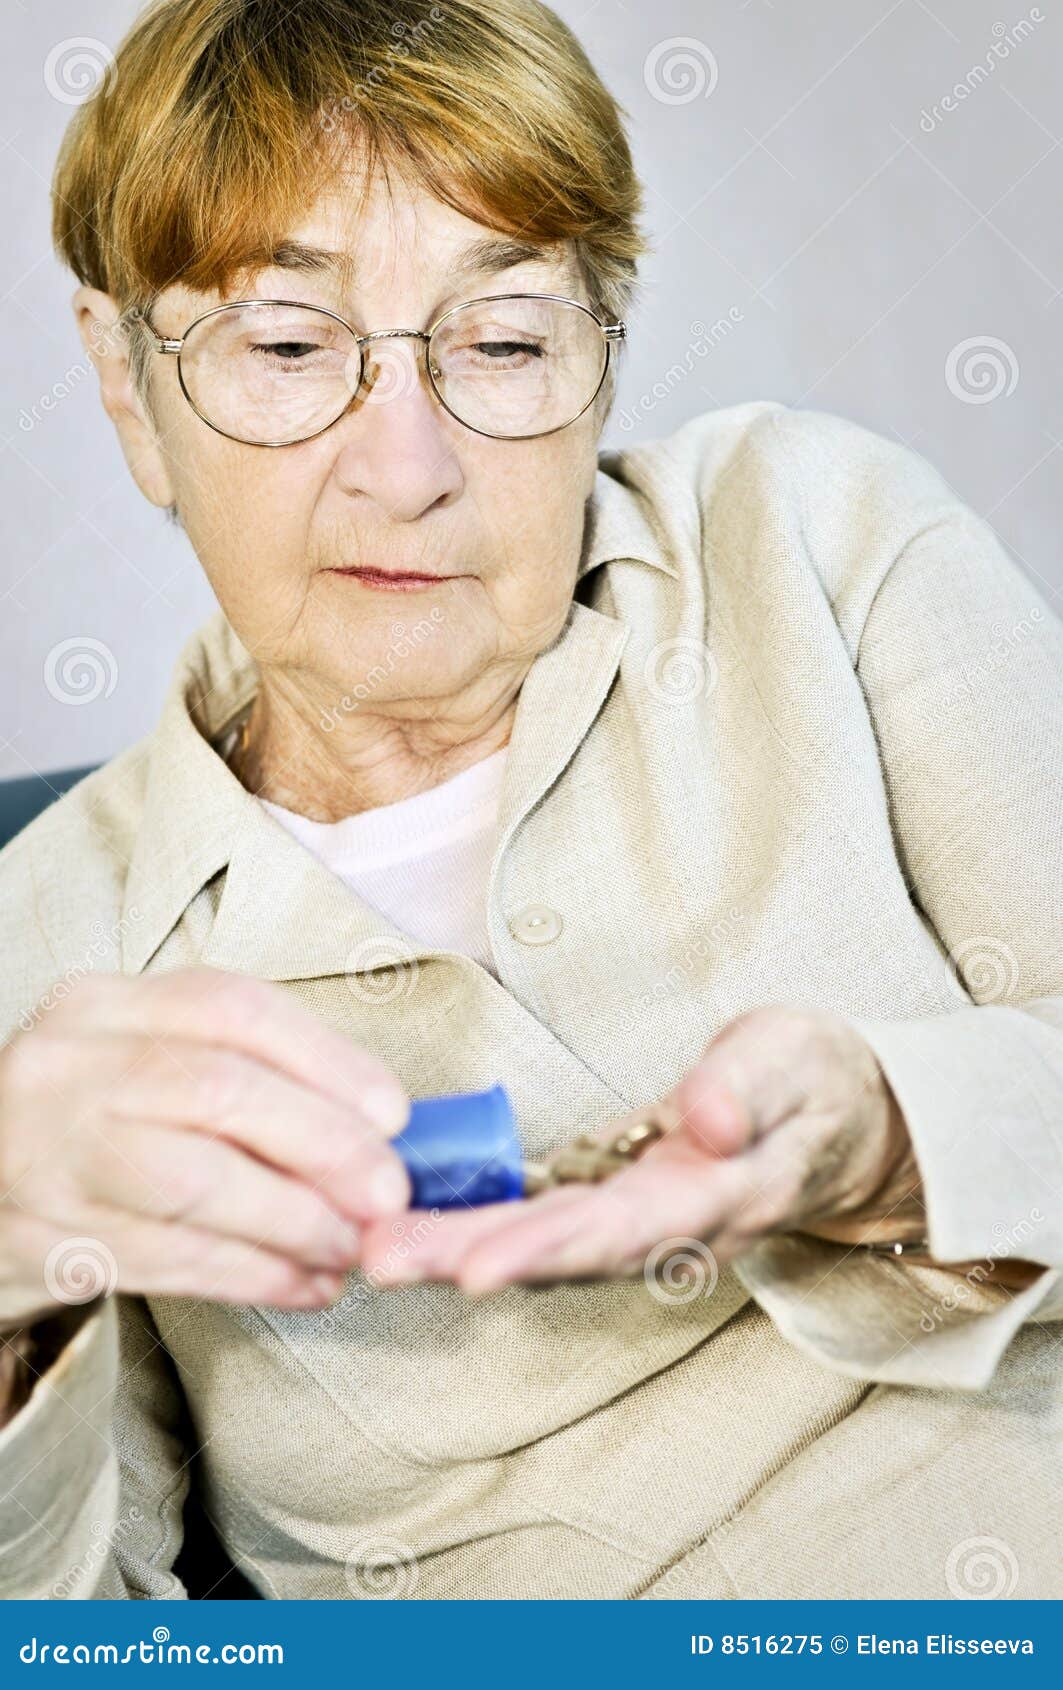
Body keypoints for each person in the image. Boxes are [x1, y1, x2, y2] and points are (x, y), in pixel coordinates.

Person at [0, 0, 1060, 1601]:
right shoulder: (46, 954)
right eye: (288, 347)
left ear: (603, 349)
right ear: (129, 388)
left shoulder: (815, 539)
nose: (408, 466)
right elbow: (89, 1636)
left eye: (502, 339)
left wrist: (888, 1138)